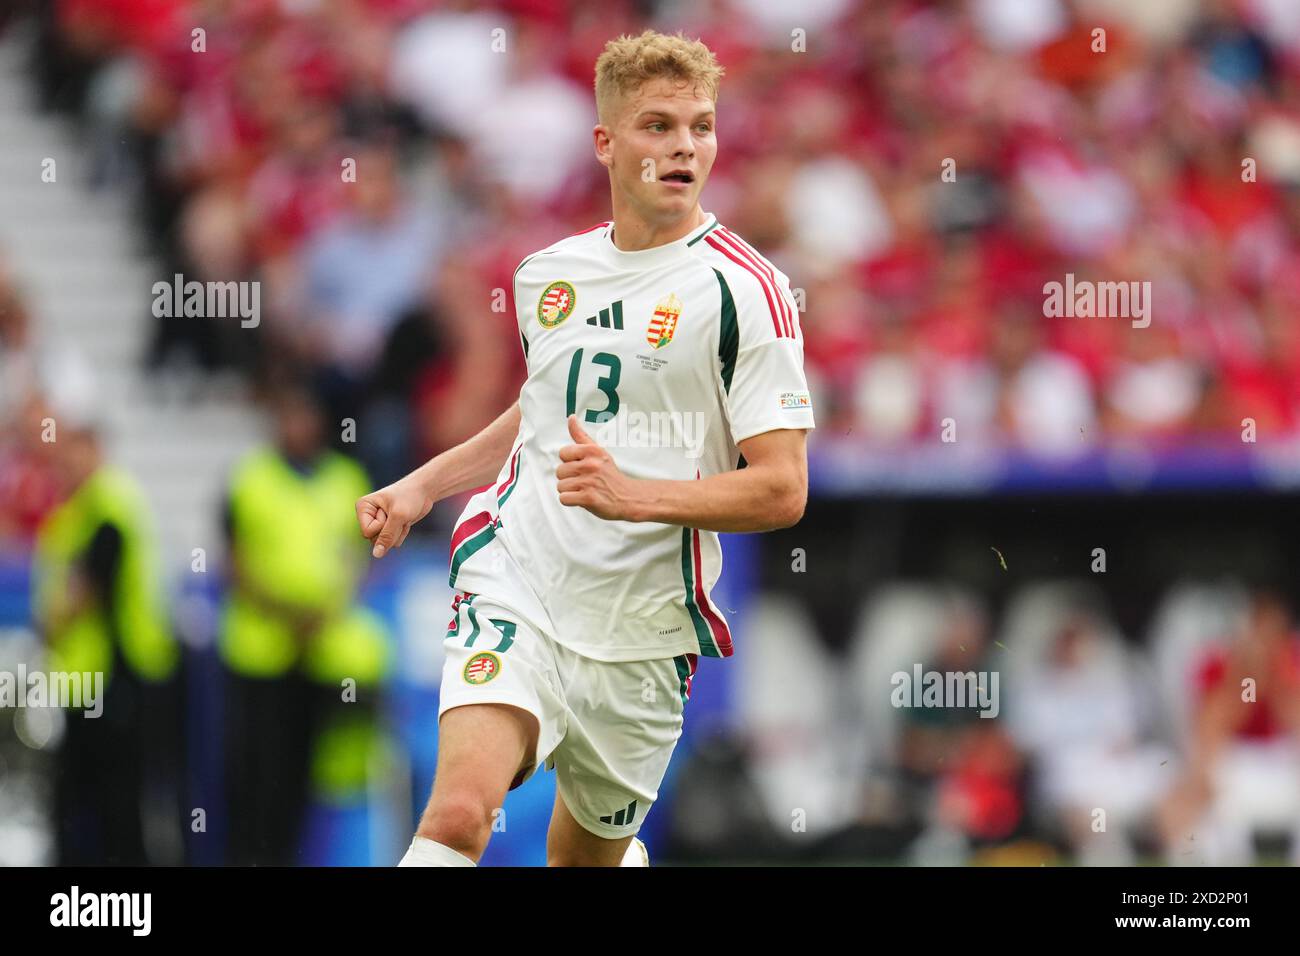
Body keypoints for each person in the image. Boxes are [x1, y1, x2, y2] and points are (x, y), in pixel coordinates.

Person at [357, 30, 815, 867]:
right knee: (460, 816)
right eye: (658, 125)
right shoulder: (548, 275)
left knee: (582, 861)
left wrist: (633, 493)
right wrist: (425, 486)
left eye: (701, 126)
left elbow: (782, 489)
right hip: (522, 577)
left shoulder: (747, 293)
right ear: (607, 143)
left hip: (641, 628)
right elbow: (540, 412)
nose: (684, 146)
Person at [219, 384, 389, 864]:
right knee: (253, 778)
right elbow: (231, 558)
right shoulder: (250, 479)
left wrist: (326, 610)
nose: (297, 427)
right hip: (258, 653)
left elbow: (364, 556)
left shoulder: (346, 479)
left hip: (320, 656)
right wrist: (284, 612)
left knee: (304, 780)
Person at [31, 404, 180, 864]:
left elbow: (85, 590)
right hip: (84, 678)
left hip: (117, 674)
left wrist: (56, 619)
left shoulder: (106, 504)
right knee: (84, 802)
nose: (67, 462)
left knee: (115, 806)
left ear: (95, 450)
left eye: (76, 449)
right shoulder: (77, 511)